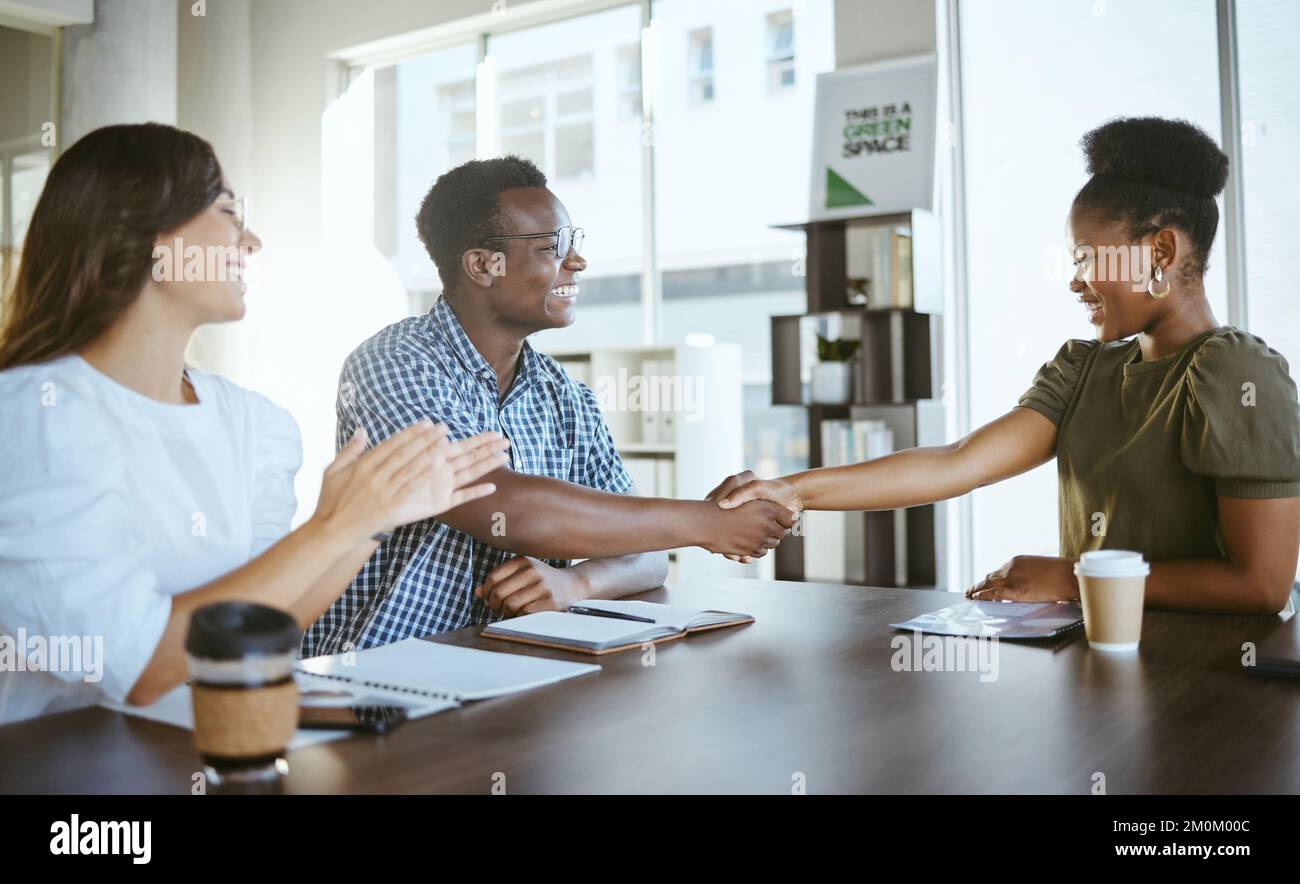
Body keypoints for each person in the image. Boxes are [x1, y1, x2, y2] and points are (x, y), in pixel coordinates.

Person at [0, 123, 506, 723]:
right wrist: (328, 526)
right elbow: (136, 666)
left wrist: (370, 523)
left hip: (207, 750)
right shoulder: (35, 417)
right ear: (148, 238)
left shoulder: (252, 421)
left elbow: (276, 621)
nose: (253, 240)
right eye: (228, 212)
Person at [708, 117, 1300, 614]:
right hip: (1101, 672)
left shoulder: (1235, 375)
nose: (1075, 280)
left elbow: (1260, 585)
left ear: (1161, 252)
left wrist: (1073, 578)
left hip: (1210, 693)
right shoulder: (1083, 368)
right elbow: (957, 462)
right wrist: (795, 490)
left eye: (1088, 258)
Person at [302, 156, 793, 656]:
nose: (576, 261)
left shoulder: (565, 395)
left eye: (574, 243)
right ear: (482, 266)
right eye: (553, 247)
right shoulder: (393, 362)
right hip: (379, 677)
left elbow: (647, 556)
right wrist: (706, 522)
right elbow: (504, 507)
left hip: (520, 673)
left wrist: (573, 585)